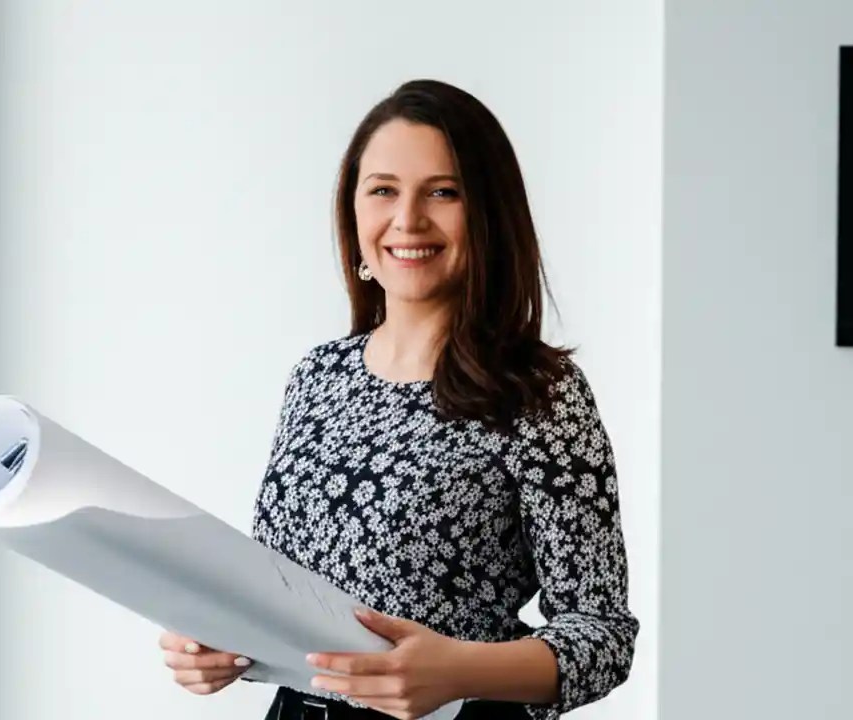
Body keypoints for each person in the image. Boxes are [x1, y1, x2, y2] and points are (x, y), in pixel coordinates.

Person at [158, 79, 638, 720]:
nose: (408, 220)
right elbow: (282, 588)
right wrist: (214, 638)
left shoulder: (537, 395)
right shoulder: (318, 376)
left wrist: (458, 670)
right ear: (353, 213)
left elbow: (602, 635)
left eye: (444, 192)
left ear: (488, 215)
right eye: (383, 190)